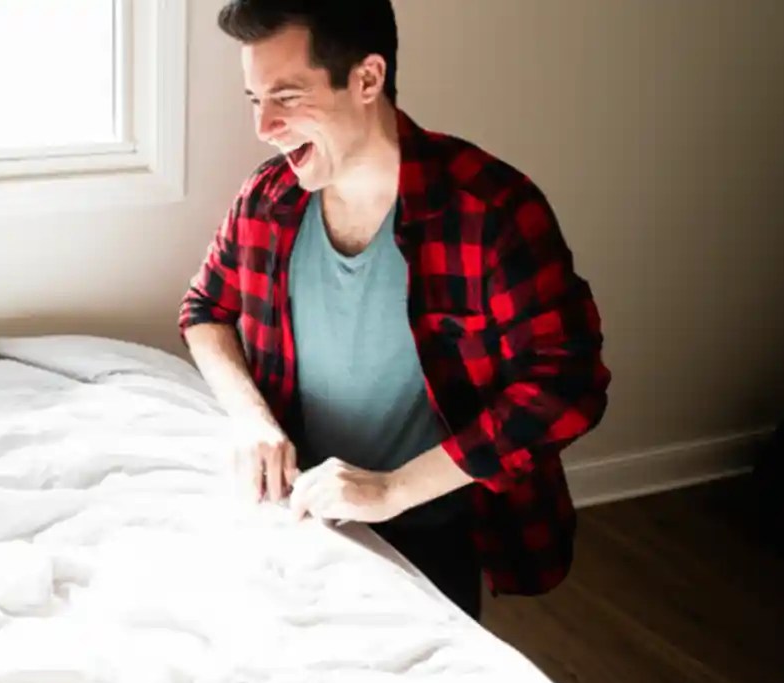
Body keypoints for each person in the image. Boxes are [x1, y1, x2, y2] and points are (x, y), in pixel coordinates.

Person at [178, 0, 611, 621]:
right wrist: (253, 419)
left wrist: (392, 490)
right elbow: (203, 310)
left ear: (367, 79)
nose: (265, 126)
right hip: (299, 516)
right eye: (254, 100)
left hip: (435, 531)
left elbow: (568, 386)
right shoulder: (266, 201)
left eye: (287, 96)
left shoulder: (492, 211)